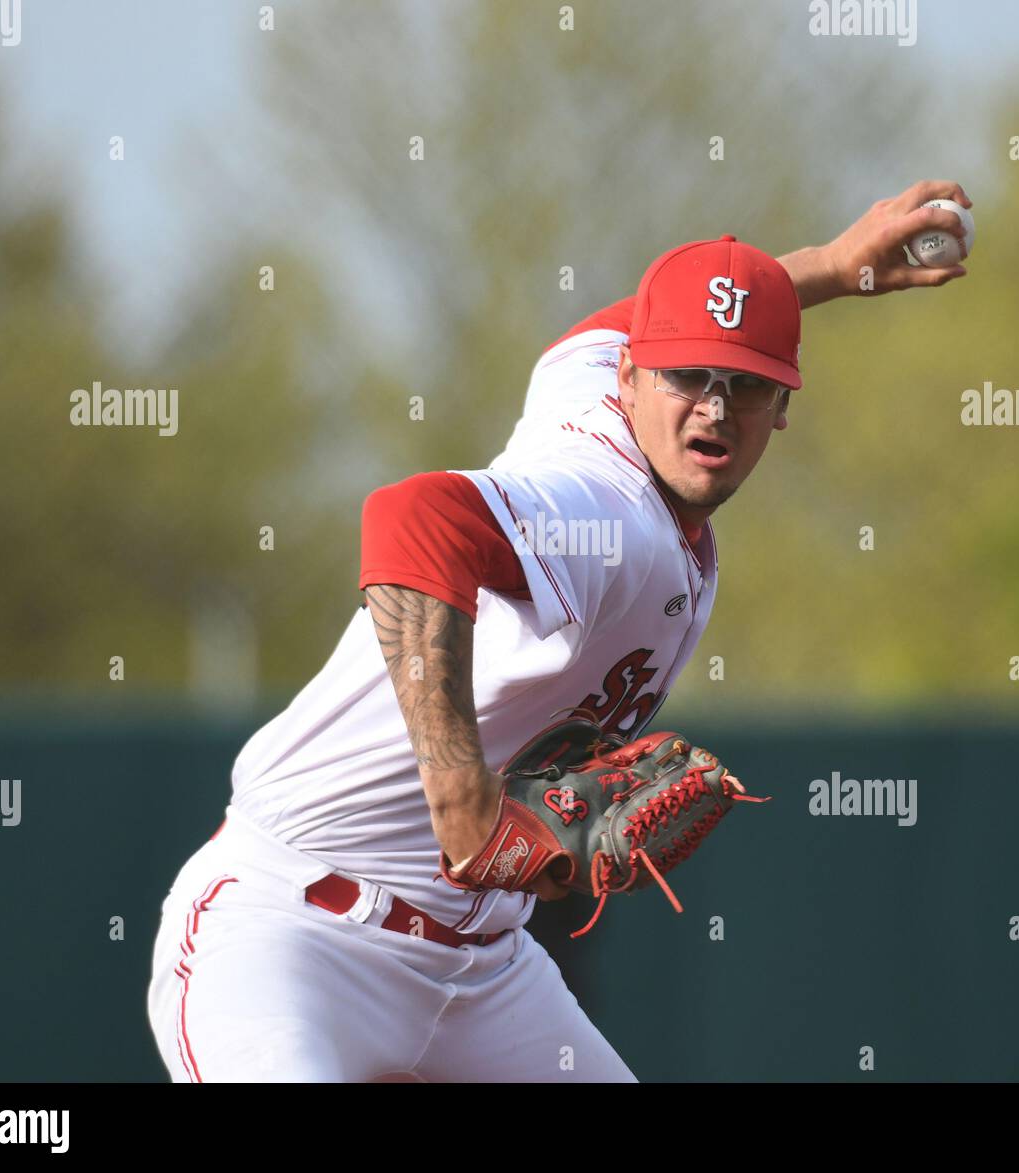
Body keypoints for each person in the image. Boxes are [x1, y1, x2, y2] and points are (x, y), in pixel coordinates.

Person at [147, 181, 972, 1083]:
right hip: (292, 938)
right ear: (632, 377)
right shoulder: (606, 519)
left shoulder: (589, 380)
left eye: (746, 383)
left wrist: (825, 270)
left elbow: (631, 320)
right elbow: (409, 516)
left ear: (783, 406)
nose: (712, 404)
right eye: (687, 375)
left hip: (483, 972)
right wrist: (463, 795)